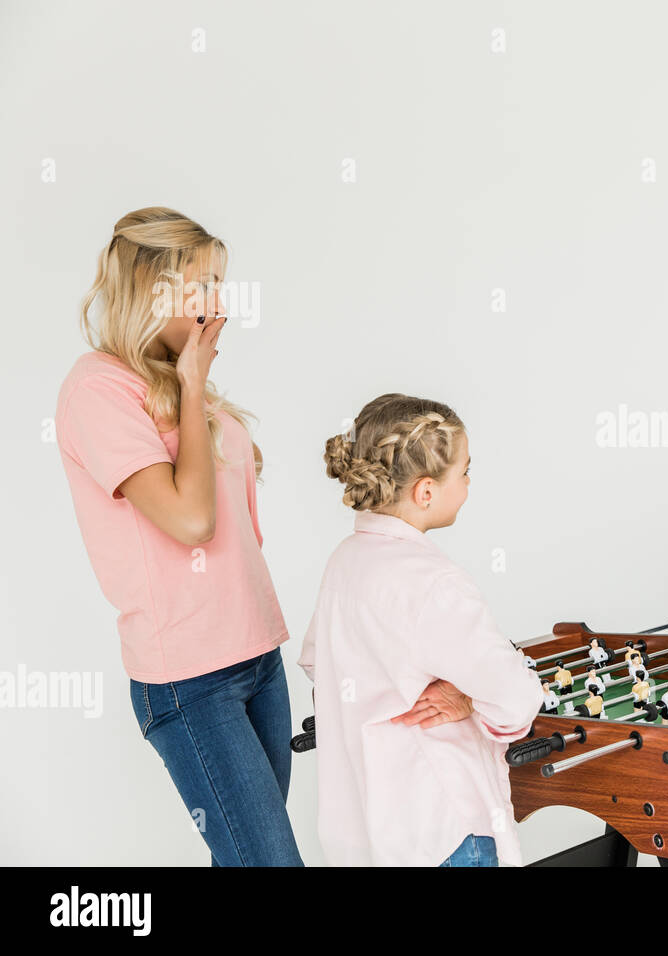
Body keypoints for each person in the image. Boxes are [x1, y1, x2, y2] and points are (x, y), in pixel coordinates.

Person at [55, 207, 302, 866]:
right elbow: (193, 521)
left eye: (220, 284)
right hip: (191, 679)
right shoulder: (98, 389)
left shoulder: (174, 381)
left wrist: (190, 385)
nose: (219, 305)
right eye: (203, 286)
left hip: (258, 653)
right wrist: (192, 384)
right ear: (150, 290)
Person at [299, 394, 542, 866]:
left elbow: (318, 663)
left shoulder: (345, 560)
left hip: (372, 834)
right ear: (426, 492)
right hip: (446, 831)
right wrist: (467, 697)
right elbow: (515, 700)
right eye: (465, 471)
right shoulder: (435, 582)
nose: (469, 484)